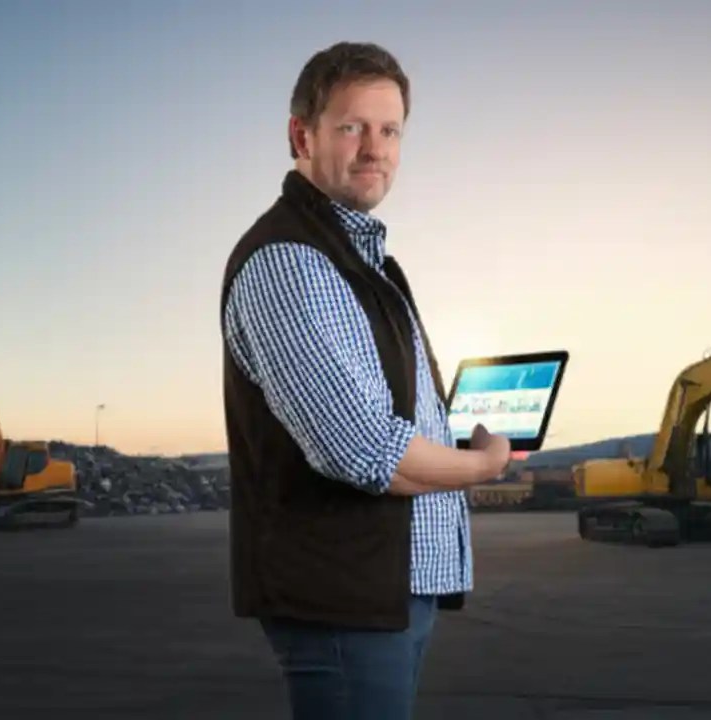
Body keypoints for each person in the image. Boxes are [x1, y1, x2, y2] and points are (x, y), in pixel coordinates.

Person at [218, 41, 512, 719]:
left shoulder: (360, 261)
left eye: (390, 130)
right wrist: (483, 464)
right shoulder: (291, 263)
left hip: (386, 593)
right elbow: (365, 451)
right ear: (303, 135)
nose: (375, 148)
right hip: (344, 601)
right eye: (352, 127)